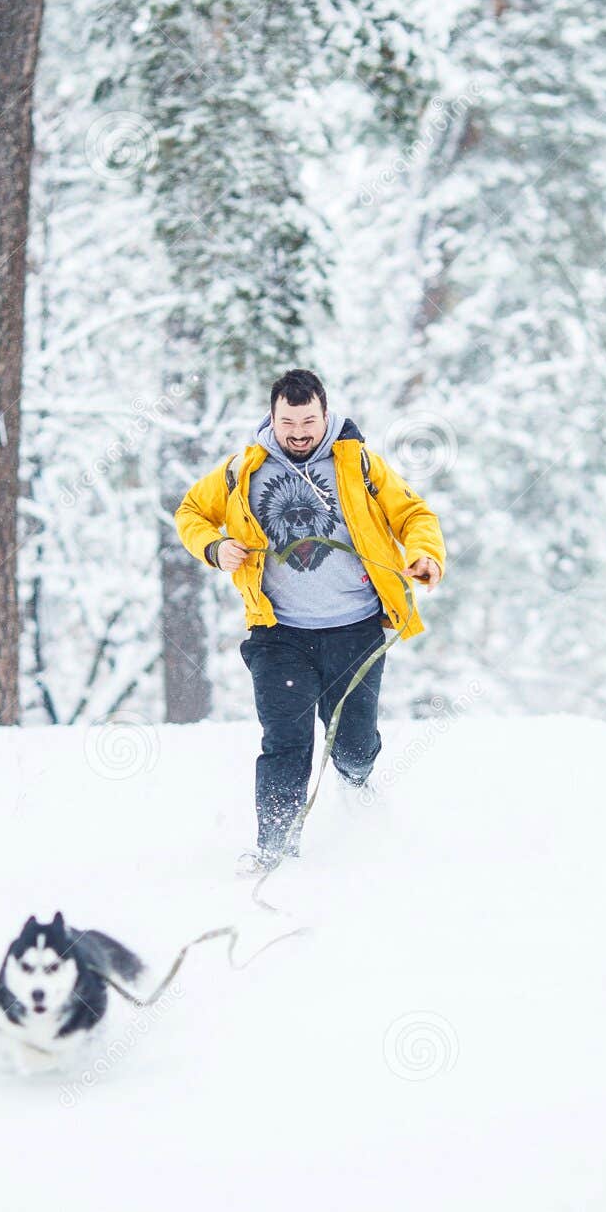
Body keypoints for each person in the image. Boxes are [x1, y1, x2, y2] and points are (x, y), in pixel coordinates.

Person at [174, 369, 446, 874]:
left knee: (355, 745)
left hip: (355, 628)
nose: (298, 432)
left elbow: (413, 514)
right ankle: (274, 851)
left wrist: (425, 555)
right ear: (271, 418)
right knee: (285, 742)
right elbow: (191, 510)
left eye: (308, 421)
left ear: (326, 414)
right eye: (287, 422)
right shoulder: (241, 470)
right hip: (278, 636)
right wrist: (214, 547)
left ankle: (357, 785)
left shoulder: (358, 463)